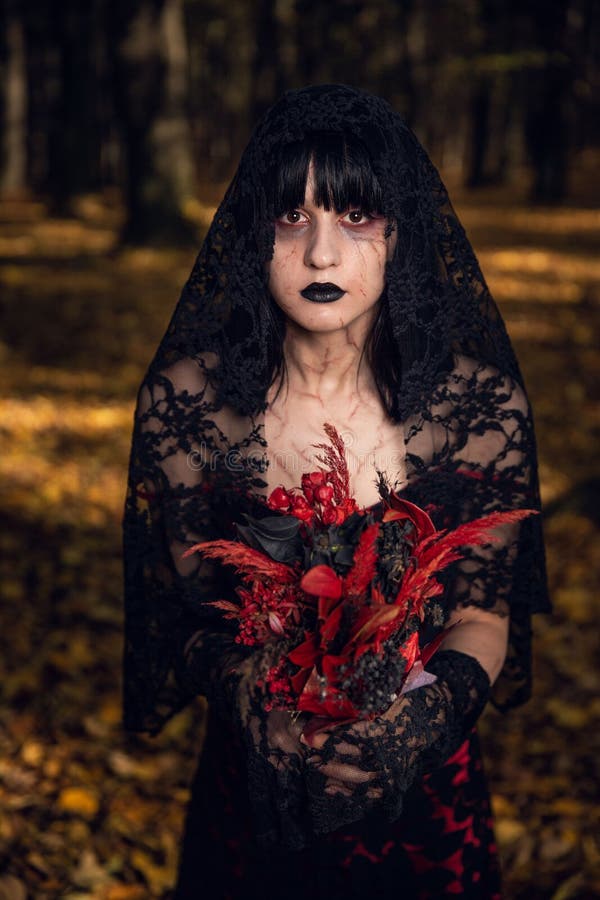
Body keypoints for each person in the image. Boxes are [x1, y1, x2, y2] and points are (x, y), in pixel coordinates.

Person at [122, 84, 550, 898]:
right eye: (291, 217)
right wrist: (254, 697)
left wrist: (419, 723)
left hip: (428, 806)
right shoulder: (188, 406)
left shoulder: (477, 408)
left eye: (356, 216)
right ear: (254, 234)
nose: (322, 254)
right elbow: (186, 614)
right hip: (254, 796)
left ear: (401, 232)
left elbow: (483, 614)